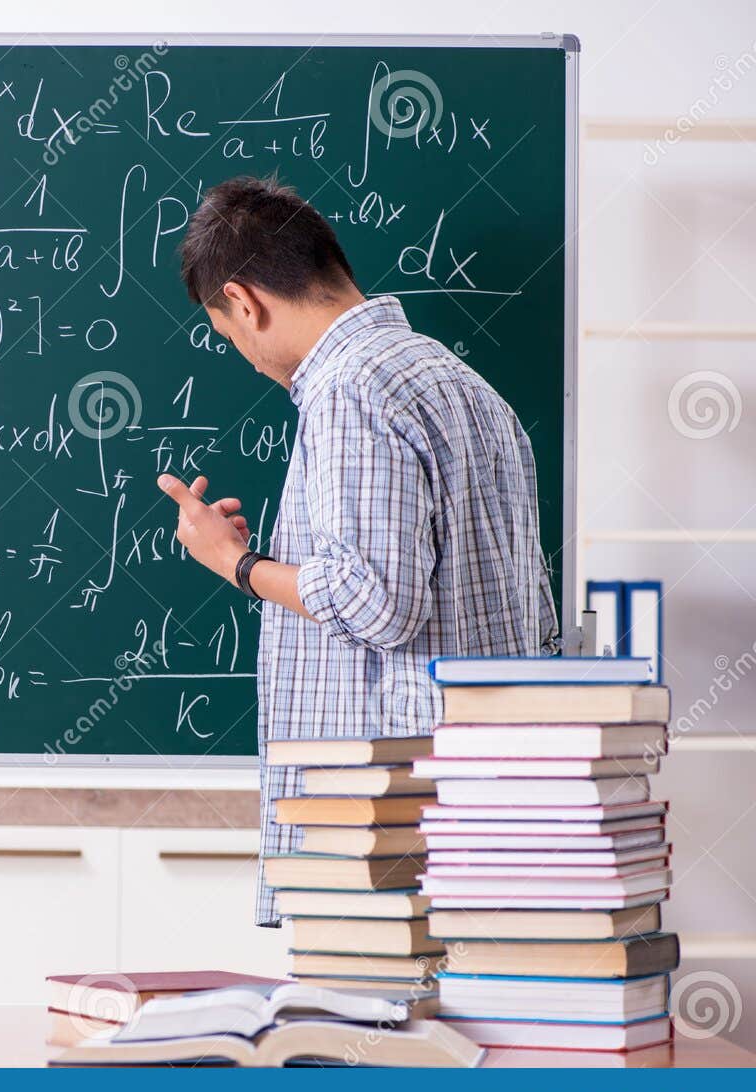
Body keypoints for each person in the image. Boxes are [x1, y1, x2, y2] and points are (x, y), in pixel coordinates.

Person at [157, 175, 558, 926]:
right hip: (482, 807)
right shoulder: (461, 382)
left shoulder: (349, 388)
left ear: (244, 303)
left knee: (369, 1036)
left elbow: (373, 602)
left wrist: (235, 564)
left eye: (228, 333)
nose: (242, 353)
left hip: (389, 818)